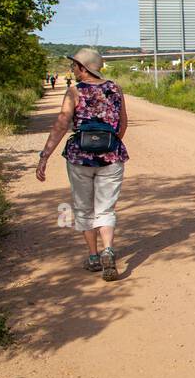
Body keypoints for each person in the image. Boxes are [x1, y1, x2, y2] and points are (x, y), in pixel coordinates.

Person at [36, 48, 129, 281]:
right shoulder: (115, 88)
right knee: (106, 208)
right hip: (111, 156)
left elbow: (60, 124)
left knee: (84, 207)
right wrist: (109, 145)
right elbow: (123, 124)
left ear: (83, 68)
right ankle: (108, 249)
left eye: (74, 65)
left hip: (80, 157)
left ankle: (94, 257)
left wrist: (45, 156)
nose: (72, 69)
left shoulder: (74, 91)